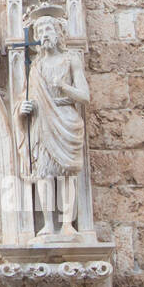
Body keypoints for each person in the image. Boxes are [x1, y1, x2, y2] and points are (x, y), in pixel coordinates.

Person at [17, 16, 89, 237]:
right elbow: (25, 95)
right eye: (40, 30)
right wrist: (22, 109)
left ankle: (67, 223)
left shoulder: (70, 60)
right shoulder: (35, 67)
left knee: (67, 174)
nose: (44, 33)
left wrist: (64, 87)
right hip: (42, 120)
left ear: (58, 33)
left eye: (48, 28)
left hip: (66, 117)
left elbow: (84, 96)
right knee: (44, 174)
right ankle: (48, 223)